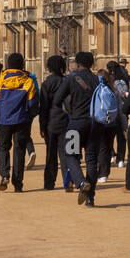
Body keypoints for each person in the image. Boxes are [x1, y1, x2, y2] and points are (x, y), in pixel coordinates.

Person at [0, 52, 38, 193]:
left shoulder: (0, 81)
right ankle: (18, 183)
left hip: (4, 120)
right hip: (22, 120)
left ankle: (5, 175)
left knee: (4, 148)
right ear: (22, 65)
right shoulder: (28, 81)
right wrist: (29, 116)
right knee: (19, 151)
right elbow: (33, 103)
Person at [56, 53, 97, 204]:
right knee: (91, 160)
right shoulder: (97, 79)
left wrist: (69, 108)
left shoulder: (72, 78)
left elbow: (57, 99)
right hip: (94, 124)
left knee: (71, 155)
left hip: (76, 122)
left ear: (78, 64)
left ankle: (80, 182)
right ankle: (90, 198)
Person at [40, 55, 68, 190]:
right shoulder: (67, 81)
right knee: (66, 153)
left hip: (51, 121)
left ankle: (49, 183)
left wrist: (42, 126)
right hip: (66, 121)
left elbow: (43, 107)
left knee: (50, 154)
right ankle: (68, 181)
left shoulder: (46, 83)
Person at [108, 61, 129, 169]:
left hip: (110, 112)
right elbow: (126, 95)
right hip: (121, 111)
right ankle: (120, 159)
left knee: (109, 136)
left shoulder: (107, 81)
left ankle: (111, 155)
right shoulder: (122, 80)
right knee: (121, 137)